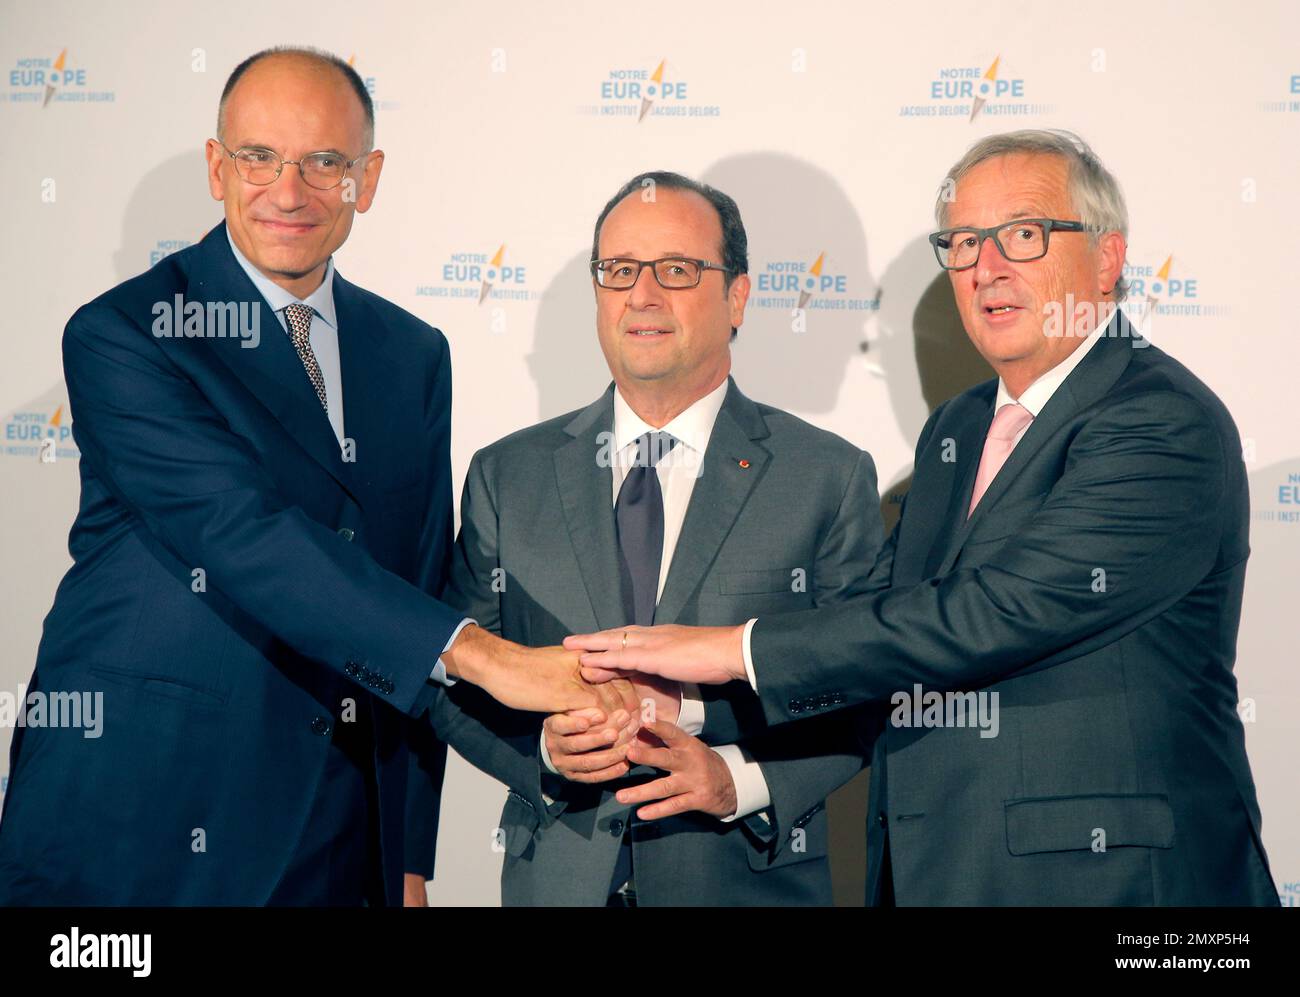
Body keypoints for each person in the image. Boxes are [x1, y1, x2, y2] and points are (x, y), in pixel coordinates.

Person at [568, 131, 1280, 907]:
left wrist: (730, 649)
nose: (987, 267)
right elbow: (878, 624)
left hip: (1112, 885)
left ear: (1107, 258)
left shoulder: (1161, 420)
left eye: (1023, 234)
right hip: (935, 875)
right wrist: (690, 707)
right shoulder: (959, 427)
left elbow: (990, 613)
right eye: (964, 242)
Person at [0, 46, 603, 907]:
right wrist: (490, 658)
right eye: (259, 158)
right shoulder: (127, 333)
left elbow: (413, 583)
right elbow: (244, 533)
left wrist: (406, 854)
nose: (290, 192)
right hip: (142, 809)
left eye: (324, 162)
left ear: (368, 178)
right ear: (217, 167)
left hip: (336, 828)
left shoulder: (412, 354)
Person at [430, 172, 881, 905]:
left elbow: (864, 684)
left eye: (676, 269)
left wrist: (737, 777)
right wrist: (543, 752)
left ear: (737, 296)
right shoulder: (507, 474)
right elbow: (456, 673)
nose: (642, 294)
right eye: (618, 270)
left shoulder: (826, 476)